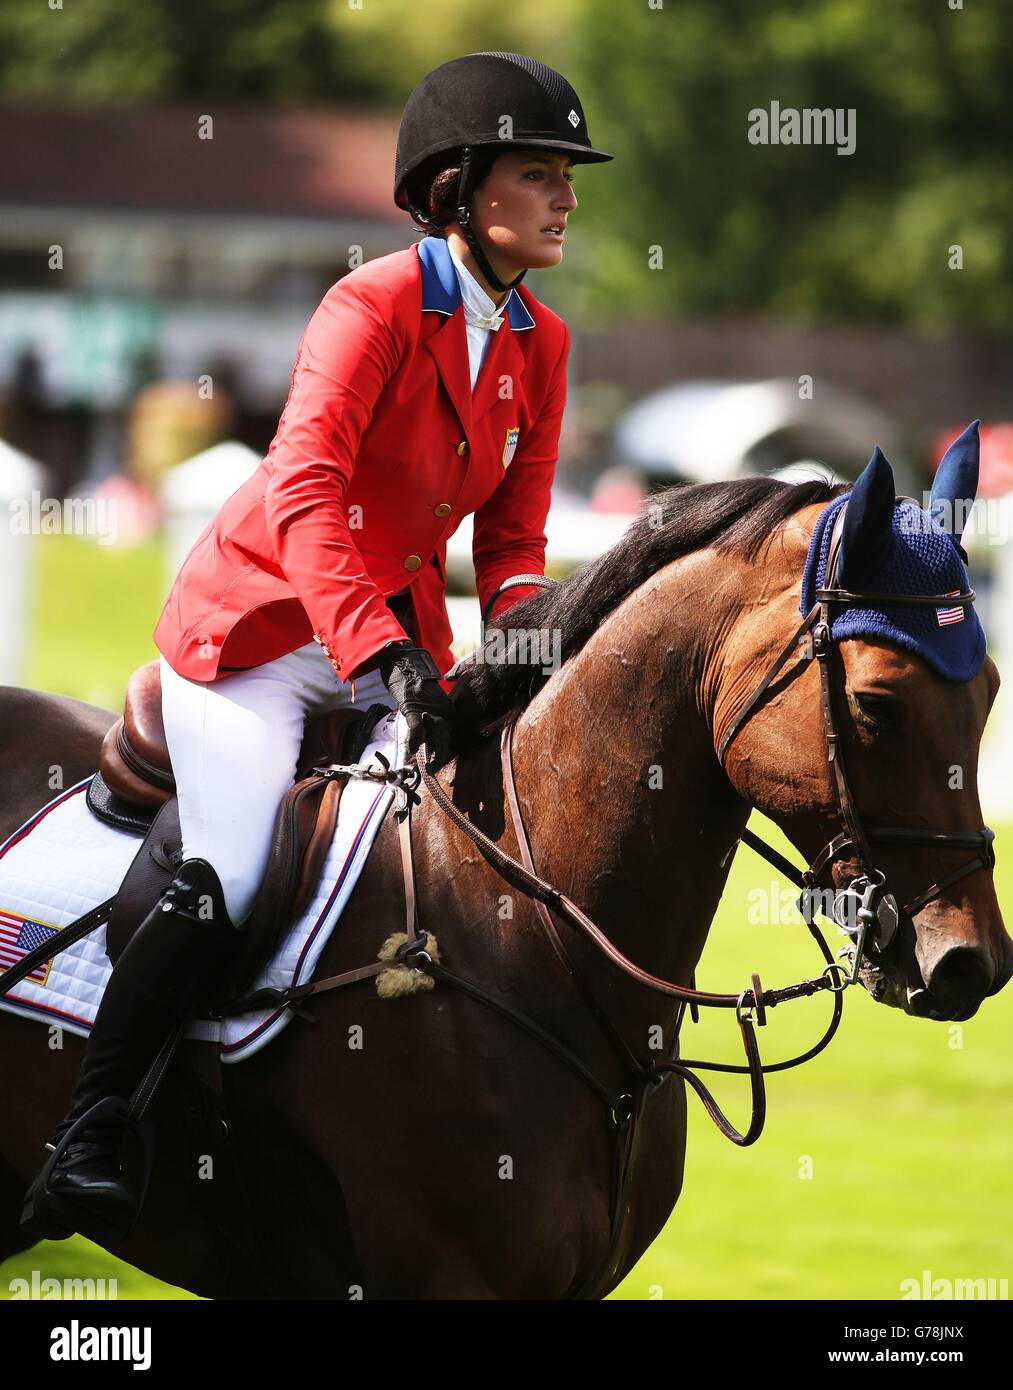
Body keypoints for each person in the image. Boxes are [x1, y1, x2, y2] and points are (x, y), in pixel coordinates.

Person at [21, 50, 612, 1242]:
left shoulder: (539, 344)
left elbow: (509, 534)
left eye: (567, 174)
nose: (565, 195)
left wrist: (518, 652)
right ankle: (92, 1132)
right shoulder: (371, 306)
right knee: (235, 868)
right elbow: (306, 491)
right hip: (255, 634)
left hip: (390, 638)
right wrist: (379, 648)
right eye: (539, 171)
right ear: (455, 187)